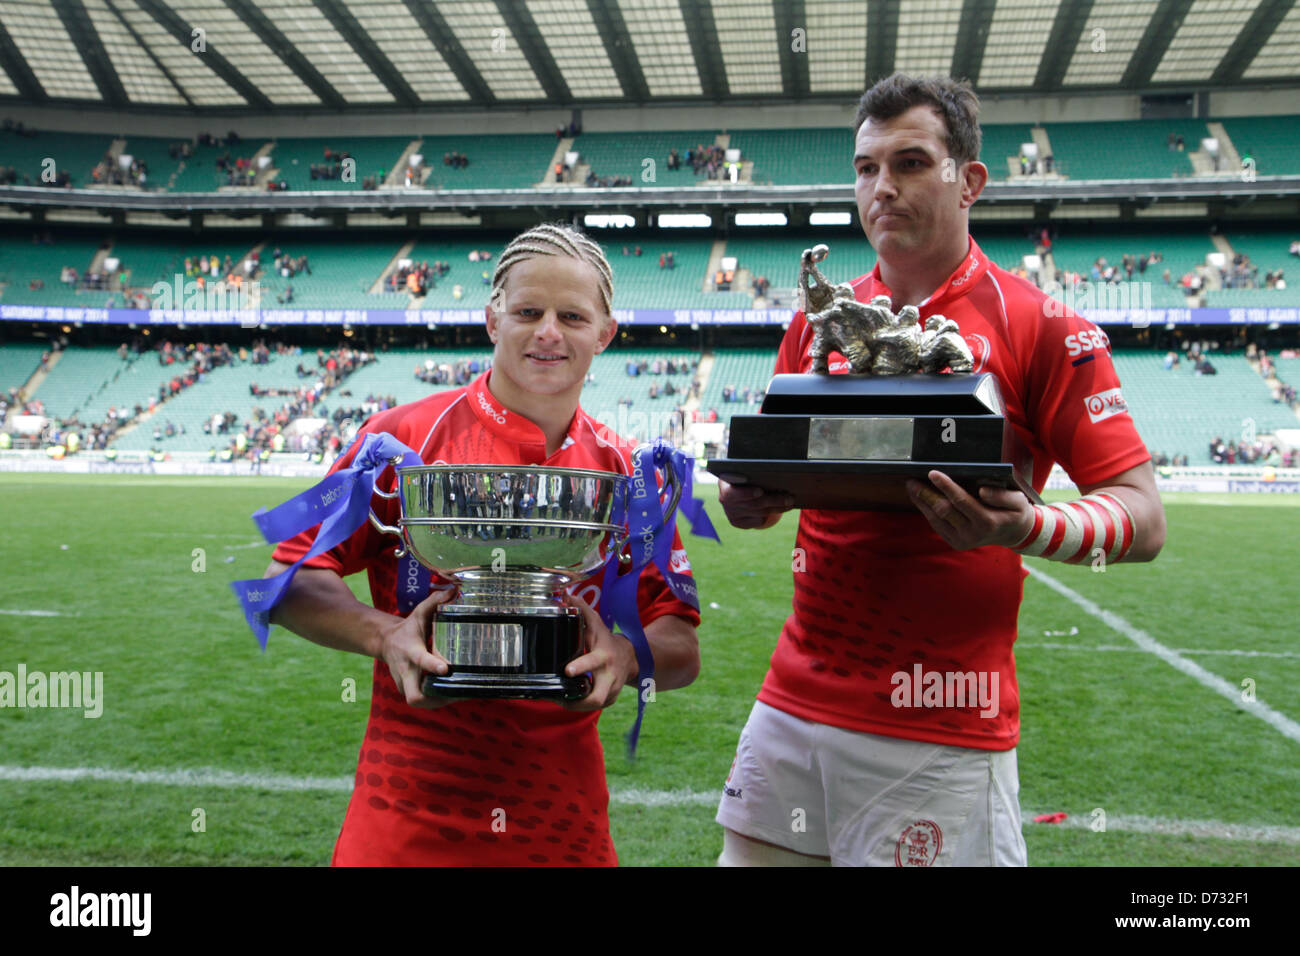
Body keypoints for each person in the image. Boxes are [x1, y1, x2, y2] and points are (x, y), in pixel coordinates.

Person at [713, 73, 1165, 867]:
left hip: (941, 717)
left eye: (912, 162)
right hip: (791, 702)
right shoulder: (818, 321)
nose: (882, 187)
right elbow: (777, 478)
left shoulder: (1045, 326)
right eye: (865, 167)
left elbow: (1142, 516)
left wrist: (1030, 527)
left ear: (970, 181)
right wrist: (750, 499)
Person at [261, 223, 701, 866]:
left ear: (604, 333)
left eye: (572, 316)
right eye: (528, 311)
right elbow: (289, 580)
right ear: (493, 320)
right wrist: (386, 636)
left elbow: (683, 644)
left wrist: (628, 658)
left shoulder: (626, 470)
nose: (549, 331)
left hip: (563, 822)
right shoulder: (402, 438)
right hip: (406, 811)